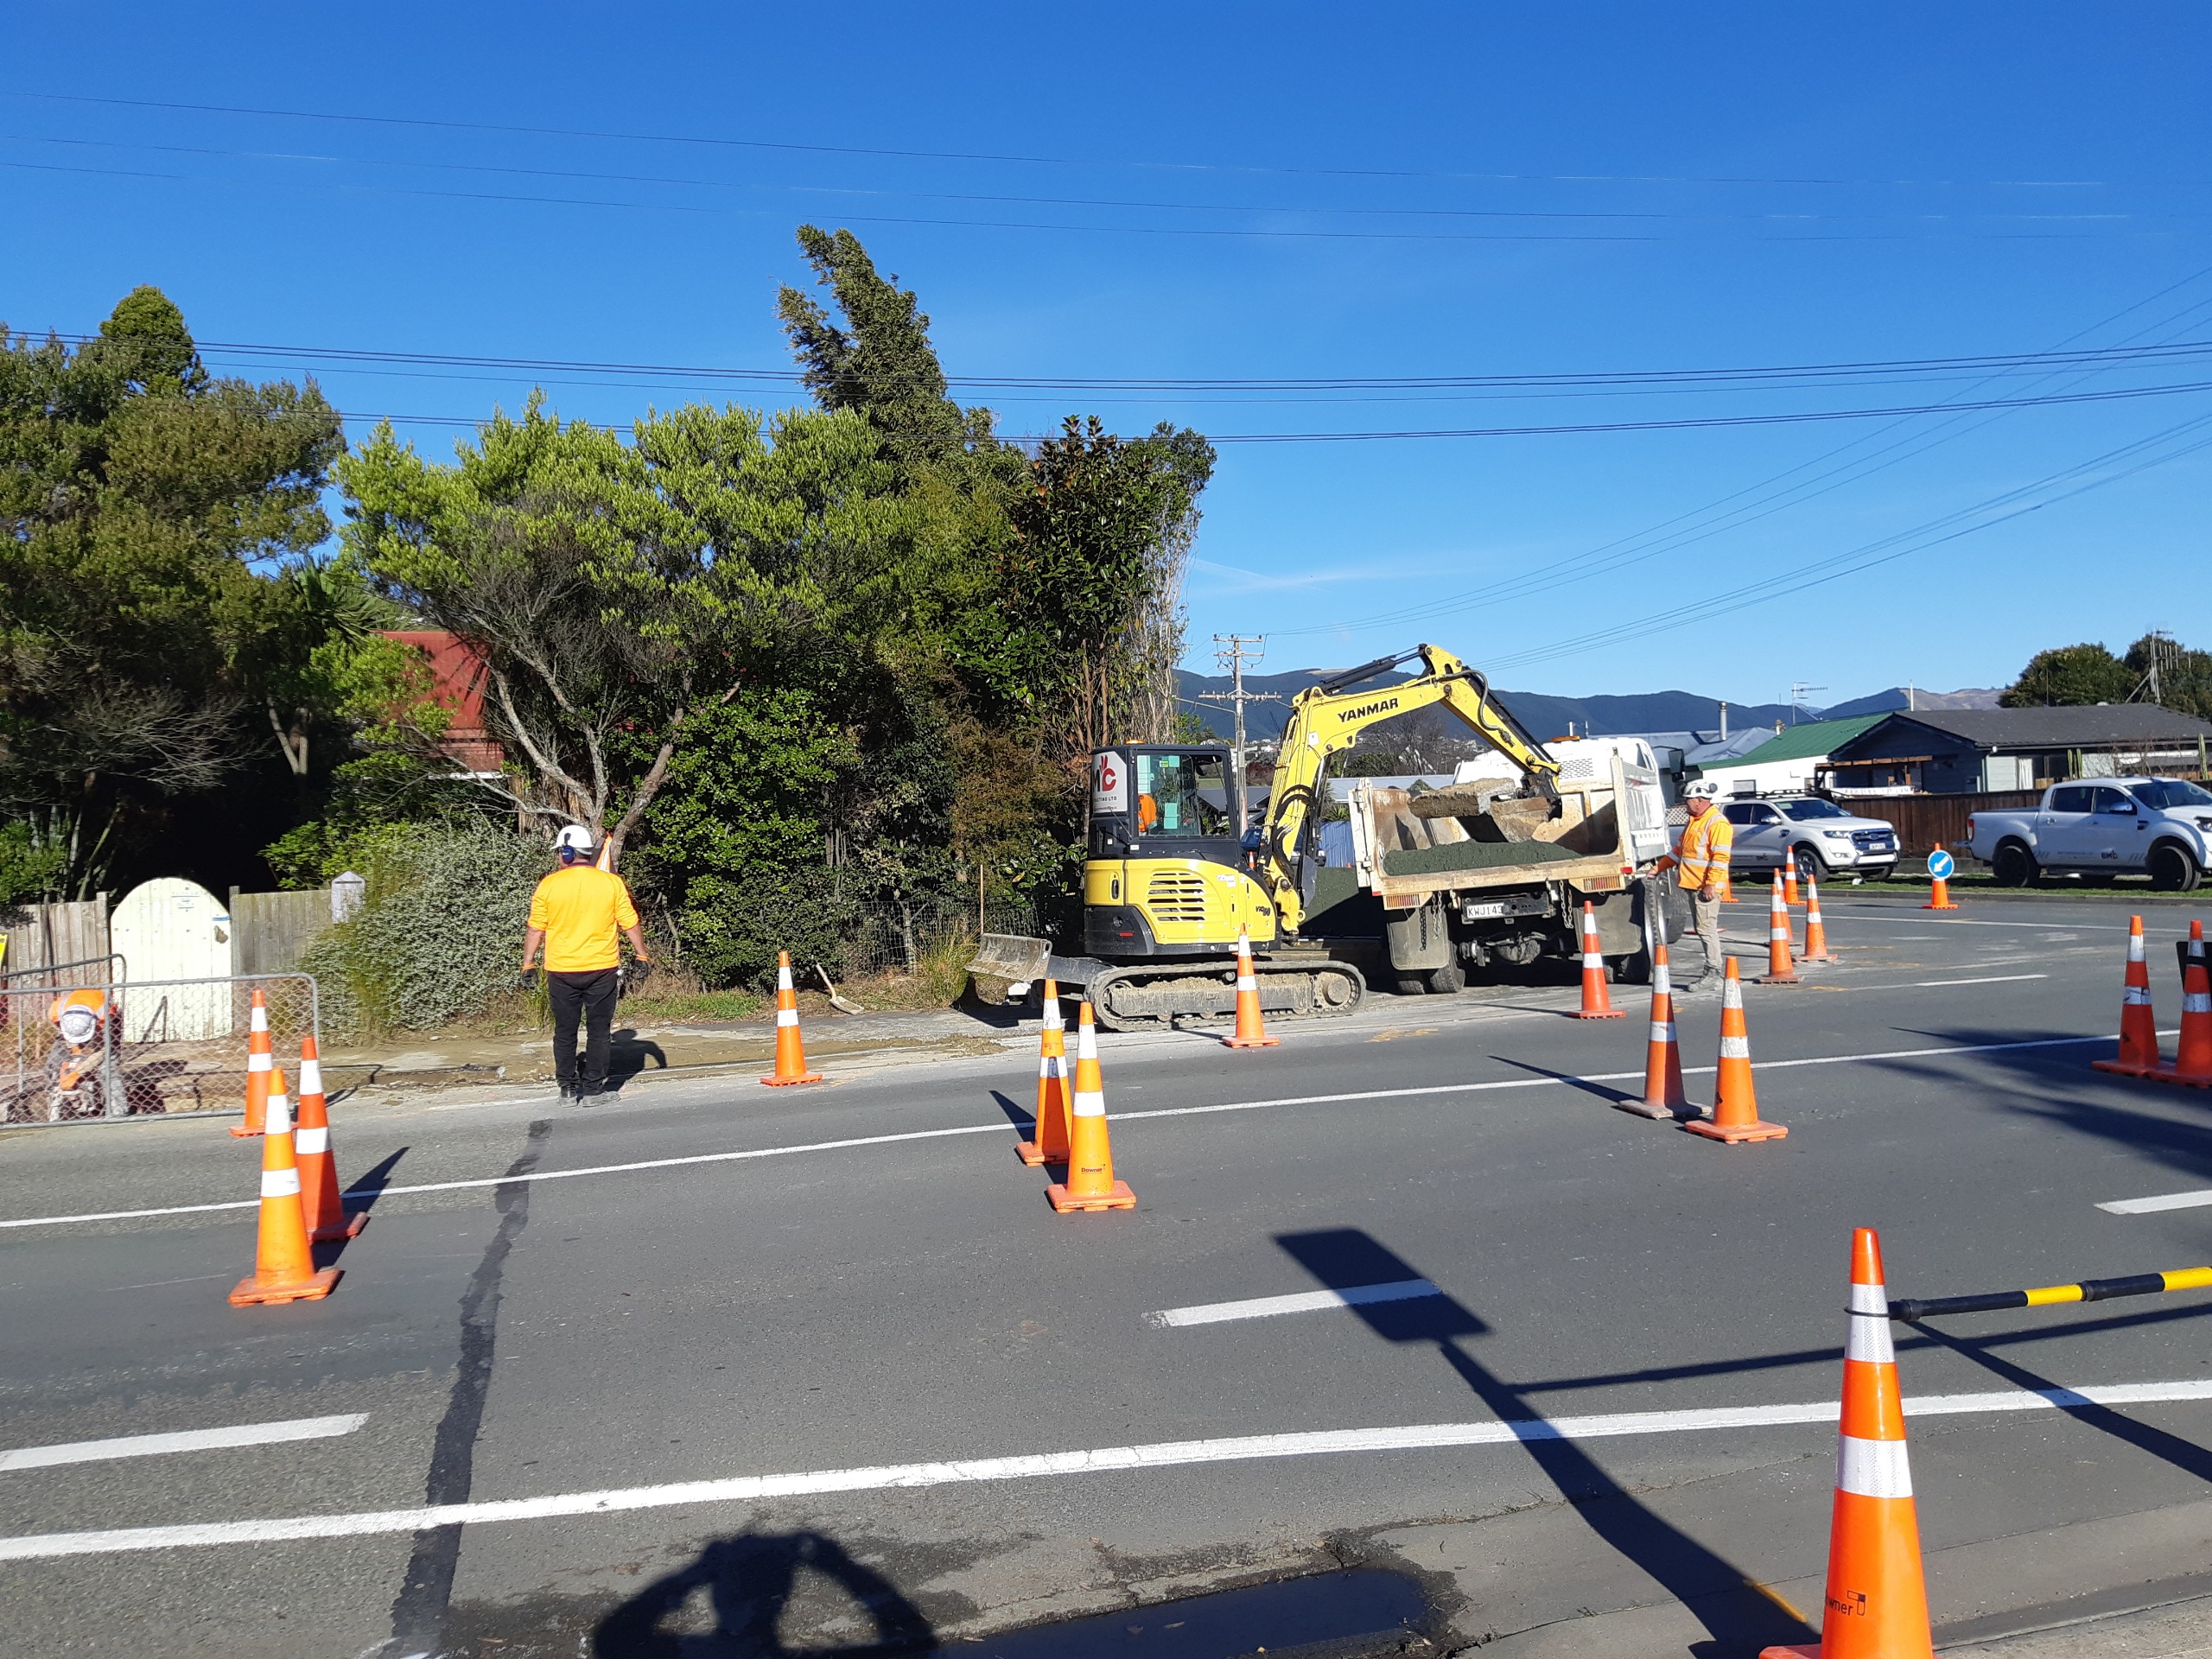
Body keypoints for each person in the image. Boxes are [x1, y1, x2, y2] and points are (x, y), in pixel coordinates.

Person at [521, 825, 650, 1101]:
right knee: (598, 1032)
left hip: (561, 971)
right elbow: (630, 922)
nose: (558, 857)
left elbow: (535, 928)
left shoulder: (548, 885)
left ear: (567, 853)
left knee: (564, 1031)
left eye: (559, 852)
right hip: (602, 970)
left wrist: (528, 963)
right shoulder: (611, 883)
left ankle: (567, 1090)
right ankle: (593, 1091)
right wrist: (642, 955)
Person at [1650, 779, 1732, 989]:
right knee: (1703, 928)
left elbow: (1720, 858)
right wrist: (1658, 868)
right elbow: (1679, 852)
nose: (1685, 804)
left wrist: (1710, 884)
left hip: (1705, 888)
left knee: (1706, 929)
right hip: (1694, 885)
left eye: (1687, 800)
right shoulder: (1694, 821)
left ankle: (1713, 973)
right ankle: (1713, 972)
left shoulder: (1717, 823)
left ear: (1699, 800)